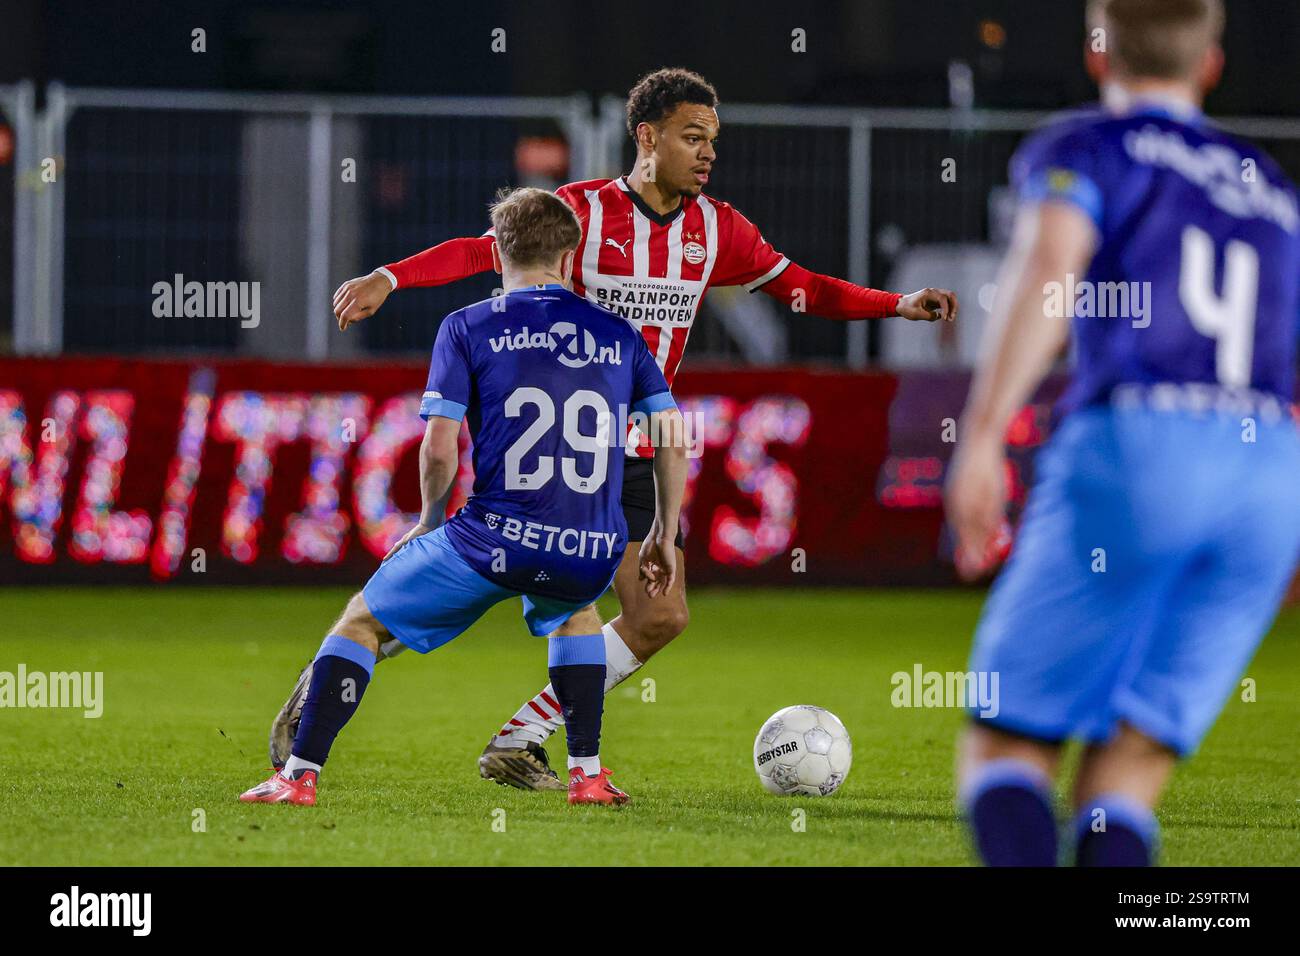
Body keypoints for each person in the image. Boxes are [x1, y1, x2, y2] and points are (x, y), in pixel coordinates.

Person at [271, 67, 957, 788]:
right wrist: (390, 276)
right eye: (693, 138)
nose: (707, 153)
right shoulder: (582, 213)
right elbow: (483, 251)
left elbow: (806, 288)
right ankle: (339, 674)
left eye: (713, 141)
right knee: (513, 592)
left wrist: (897, 304)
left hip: (638, 454)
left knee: (659, 617)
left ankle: (520, 735)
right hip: (570, 450)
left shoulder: (718, 230)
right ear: (647, 137)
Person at [945, 0, 1300, 865]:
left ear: (1098, 55)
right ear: (1210, 64)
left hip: (1142, 444)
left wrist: (985, 433)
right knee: (1127, 774)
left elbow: (1048, 269)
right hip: (1268, 475)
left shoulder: (1088, 147)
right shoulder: (1273, 190)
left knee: (1006, 748)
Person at [242, 187, 687, 807]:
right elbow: (671, 436)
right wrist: (664, 532)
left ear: (498, 251)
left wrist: (428, 520)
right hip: (589, 542)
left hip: (492, 536)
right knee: (578, 614)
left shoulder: (468, 326)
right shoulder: (618, 333)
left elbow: (440, 448)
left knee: (362, 622)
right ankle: (588, 776)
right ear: (570, 256)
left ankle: (297, 777)